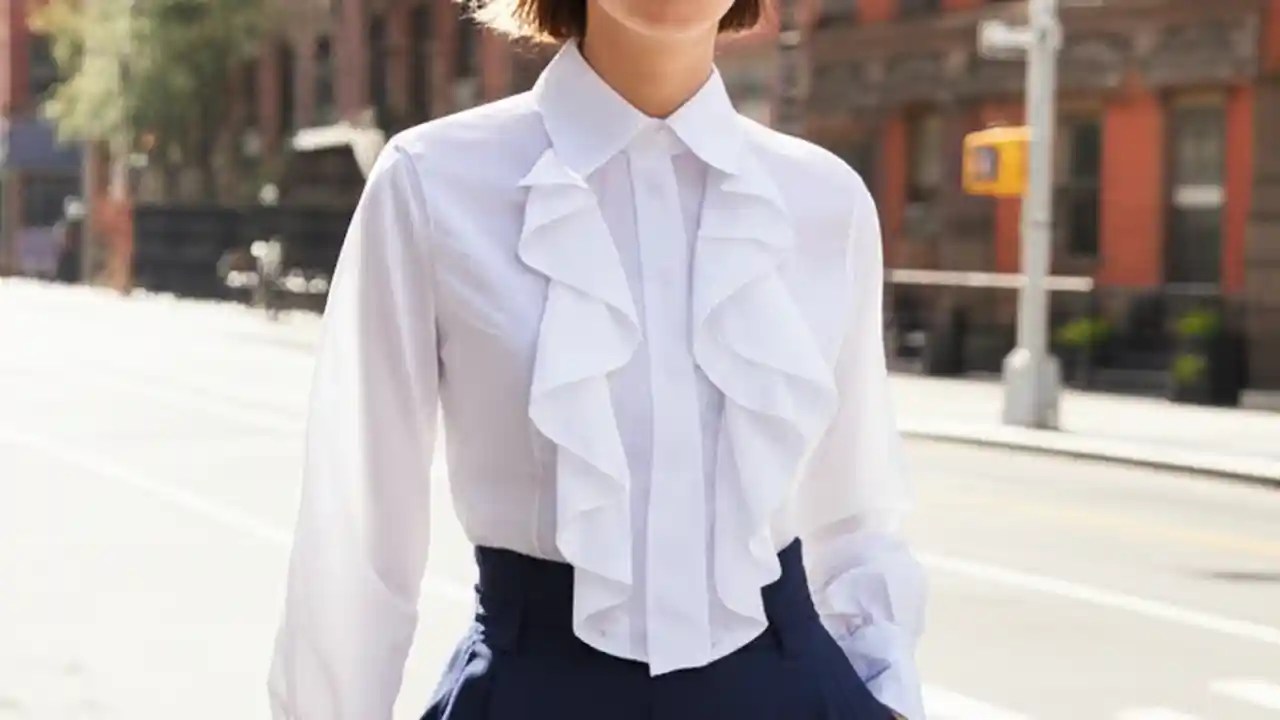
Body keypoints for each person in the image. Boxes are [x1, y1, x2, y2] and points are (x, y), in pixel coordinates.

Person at [268, 0, 926, 718]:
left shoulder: (826, 201)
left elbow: (855, 520)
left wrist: (888, 696)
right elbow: (356, 533)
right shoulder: (430, 183)